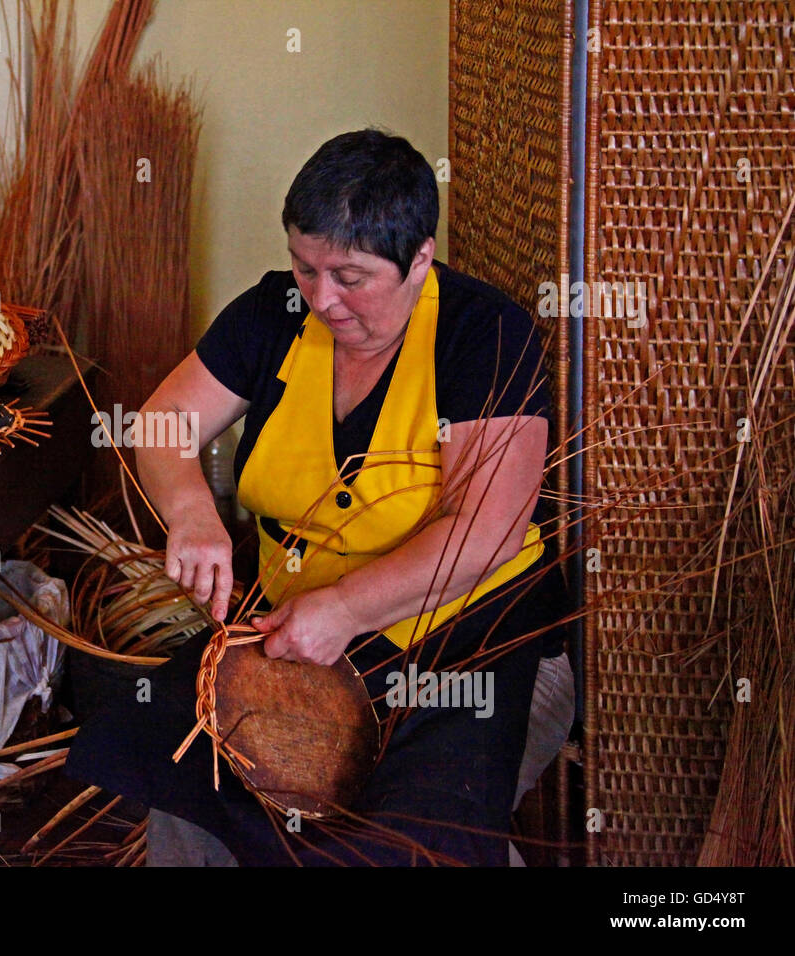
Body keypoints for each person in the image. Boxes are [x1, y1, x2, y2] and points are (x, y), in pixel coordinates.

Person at [65, 129, 574, 866]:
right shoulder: (275, 313)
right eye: (306, 268)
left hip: (472, 649)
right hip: (296, 644)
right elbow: (163, 424)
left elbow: (486, 532)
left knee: (402, 841)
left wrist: (345, 610)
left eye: (350, 275)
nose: (322, 298)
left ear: (420, 259)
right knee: (186, 768)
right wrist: (190, 513)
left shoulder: (482, 333)